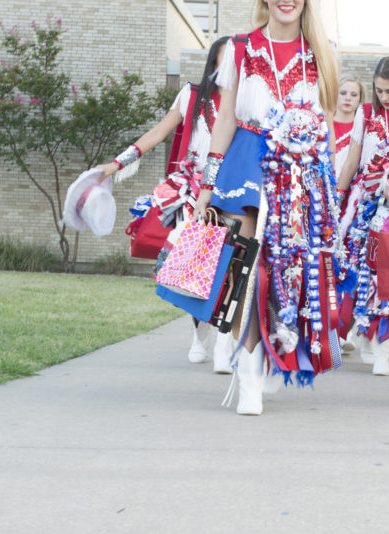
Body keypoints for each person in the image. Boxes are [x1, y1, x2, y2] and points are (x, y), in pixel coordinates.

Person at [193, 0, 340, 415]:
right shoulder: (240, 47)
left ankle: (275, 352)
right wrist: (207, 182)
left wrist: (325, 188)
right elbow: (224, 119)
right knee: (244, 271)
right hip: (245, 161)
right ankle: (249, 379)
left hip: (301, 170)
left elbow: (326, 118)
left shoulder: (323, 51)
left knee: (285, 272)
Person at [96, 37, 236, 374]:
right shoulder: (191, 96)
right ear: (214, 64)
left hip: (231, 194)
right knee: (194, 265)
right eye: (225, 61)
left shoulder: (247, 102)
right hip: (192, 194)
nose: (231, 68)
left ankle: (224, 340)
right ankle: (199, 333)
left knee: (230, 268)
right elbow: (158, 133)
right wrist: (115, 164)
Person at [335, 57, 389, 376]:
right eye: (379, 90)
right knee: (367, 273)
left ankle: (384, 345)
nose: (384, 97)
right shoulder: (366, 113)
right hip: (365, 207)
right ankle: (370, 338)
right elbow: (353, 158)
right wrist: (338, 199)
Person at [333, 73, 364, 176]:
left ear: (360, 98)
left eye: (354, 95)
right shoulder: (322, 125)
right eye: (343, 93)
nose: (348, 98)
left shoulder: (364, 129)